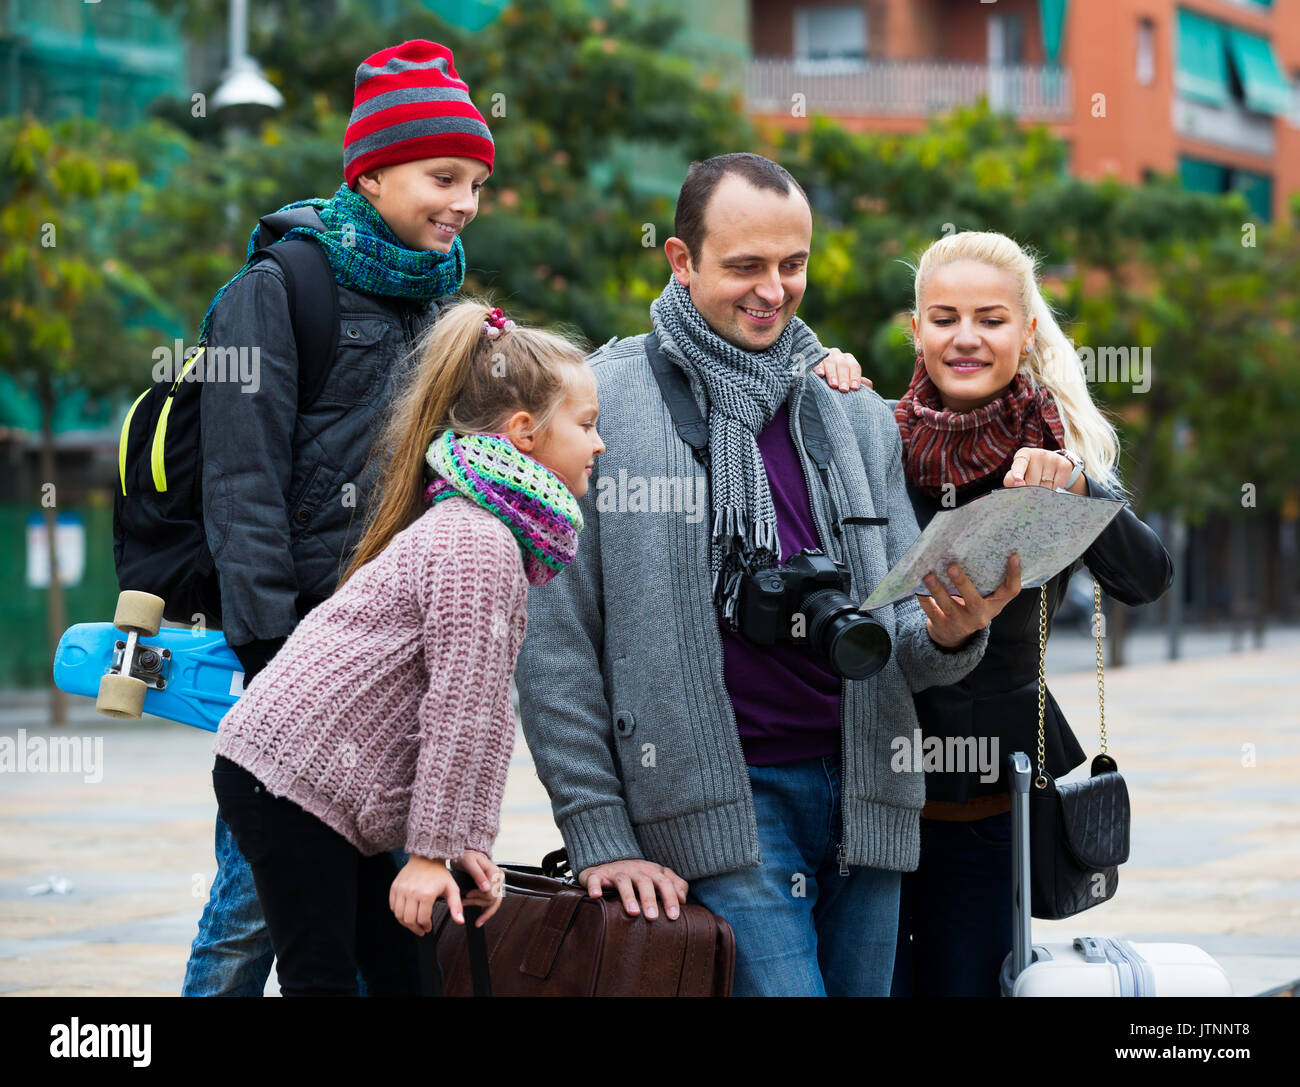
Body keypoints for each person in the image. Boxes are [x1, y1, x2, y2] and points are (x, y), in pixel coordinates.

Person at [514, 153, 1022, 997]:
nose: (774, 290)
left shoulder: (850, 408)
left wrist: (951, 630)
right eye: (746, 266)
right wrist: (600, 832)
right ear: (681, 260)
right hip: (715, 804)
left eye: (794, 265)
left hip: (867, 793)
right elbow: (555, 650)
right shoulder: (605, 401)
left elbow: (898, 632)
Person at [183, 39, 494, 996]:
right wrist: (272, 655)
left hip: (399, 665)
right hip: (301, 672)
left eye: (479, 182)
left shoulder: (446, 301)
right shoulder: (279, 289)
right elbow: (240, 489)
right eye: (445, 176)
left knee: (378, 925)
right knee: (252, 915)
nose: (465, 203)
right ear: (371, 170)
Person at [210, 300, 600, 996]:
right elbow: (464, 712)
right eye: (587, 425)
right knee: (323, 979)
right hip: (288, 779)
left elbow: (465, 714)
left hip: (315, 782)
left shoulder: (474, 526)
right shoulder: (478, 542)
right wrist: (428, 853)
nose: (599, 445)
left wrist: (460, 848)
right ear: (523, 434)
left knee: (401, 974)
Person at [887, 230, 1174, 997]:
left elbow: (1146, 577)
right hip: (868, 785)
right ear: (916, 331)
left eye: (991, 318)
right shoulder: (872, 438)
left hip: (991, 799)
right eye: (944, 318)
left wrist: (1079, 487)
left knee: (970, 984)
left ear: (1028, 330)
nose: (967, 337)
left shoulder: (1054, 448)